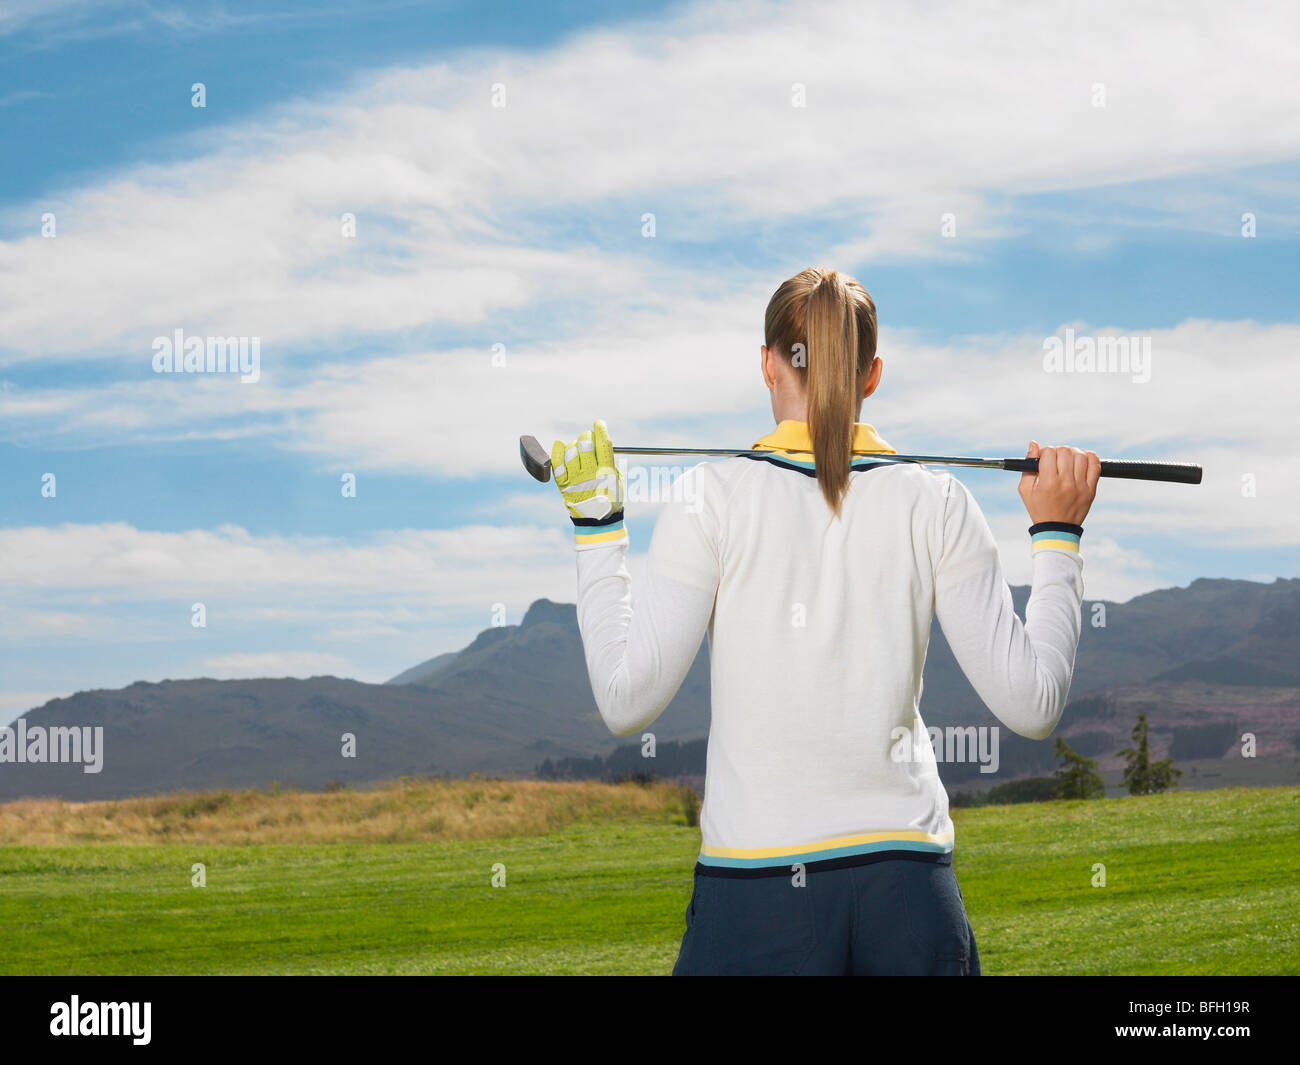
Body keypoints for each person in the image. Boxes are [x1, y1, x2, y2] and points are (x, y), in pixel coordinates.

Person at [549, 266, 1100, 976]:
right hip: (909, 893)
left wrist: (598, 528)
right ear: (872, 373)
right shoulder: (937, 501)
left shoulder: (708, 497)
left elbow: (627, 703)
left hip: (756, 895)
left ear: (767, 364)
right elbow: (1034, 704)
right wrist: (1057, 531)